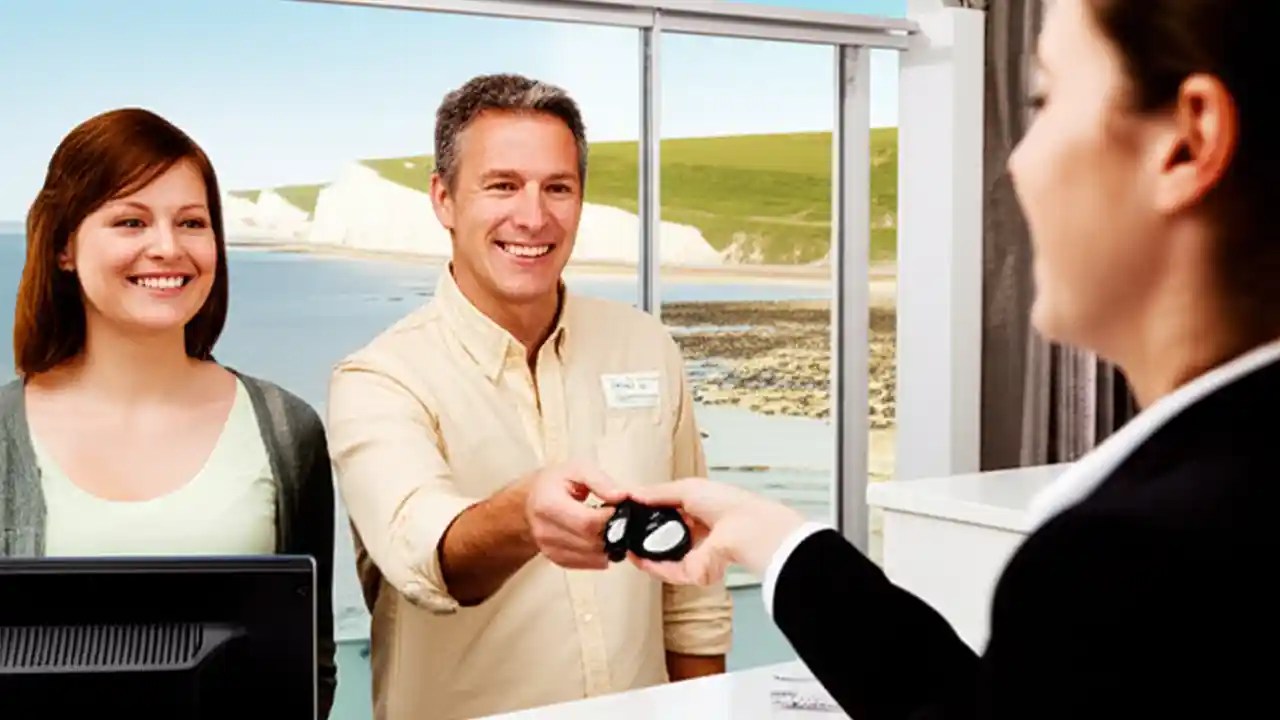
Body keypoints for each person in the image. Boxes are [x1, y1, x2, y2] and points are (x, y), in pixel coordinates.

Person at [627, 1, 1280, 718]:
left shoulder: (1131, 564)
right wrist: (771, 535)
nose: (1014, 162)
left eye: (1045, 97)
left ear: (1187, 141)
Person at [326, 73, 732, 720]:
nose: (534, 217)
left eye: (558, 188)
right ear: (444, 199)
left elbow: (691, 593)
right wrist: (523, 516)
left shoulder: (645, 346)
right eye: (503, 185)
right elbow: (424, 555)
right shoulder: (379, 380)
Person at [0, 108, 337, 718]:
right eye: (130, 221)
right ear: (63, 248)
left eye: (192, 222)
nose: (167, 248)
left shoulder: (287, 431)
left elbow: (311, 665)